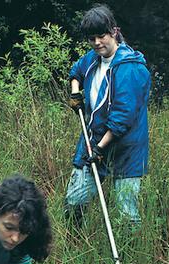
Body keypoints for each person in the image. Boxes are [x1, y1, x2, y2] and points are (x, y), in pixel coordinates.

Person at [66, 4, 151, 225]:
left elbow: (122, 118)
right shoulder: (93, 58)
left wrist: (100, 148)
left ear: (114, 31)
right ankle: (75, 244)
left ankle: (129, 253)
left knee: (126, 212)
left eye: (101, 36)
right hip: (94, 141)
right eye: (91, 38)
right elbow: (76, 71)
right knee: (74, 201)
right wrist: (76, 94)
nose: (96, 43)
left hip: (126, 149)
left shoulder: (129, 68)